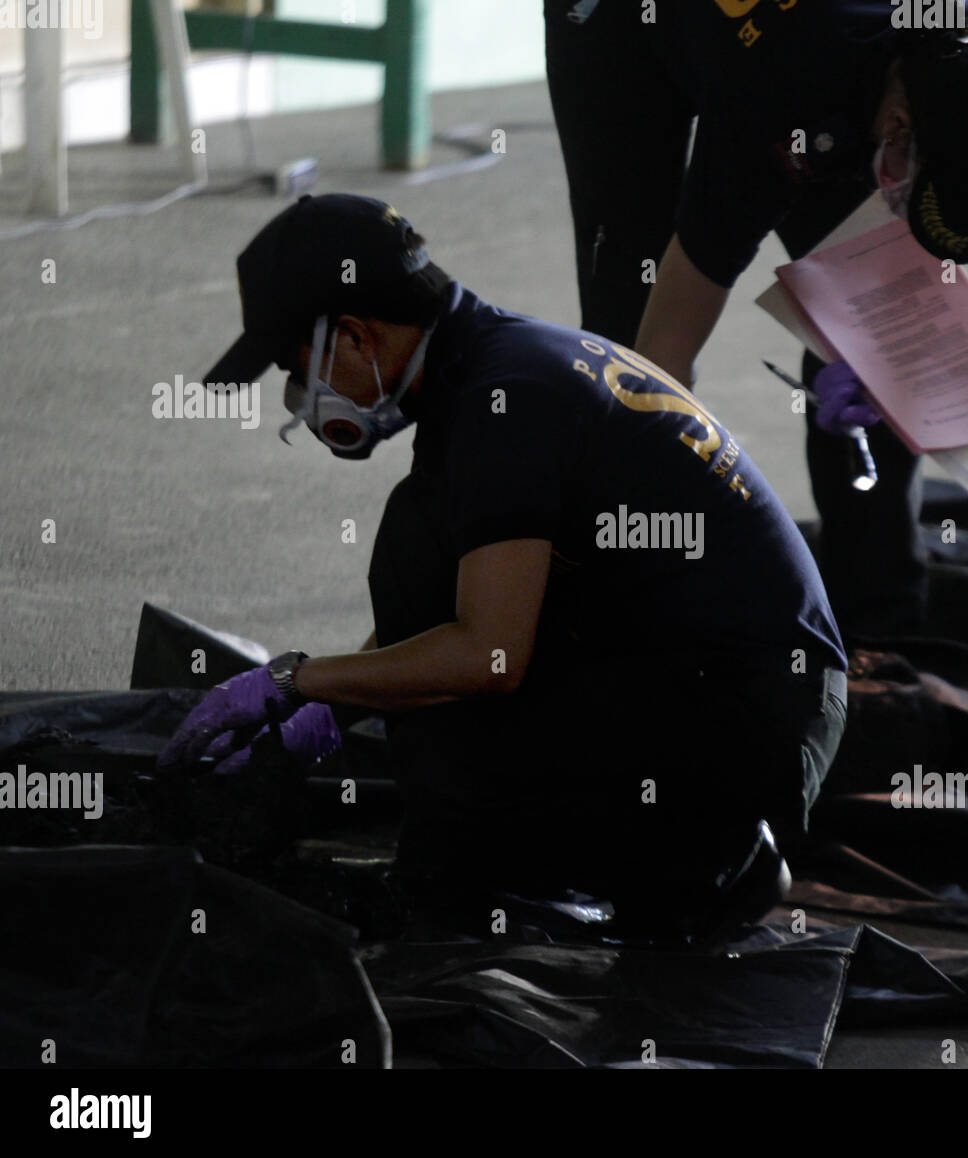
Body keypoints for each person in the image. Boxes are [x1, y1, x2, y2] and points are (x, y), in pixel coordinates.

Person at [162, 193, 848, 944]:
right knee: (426, 561)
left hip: (754, 721)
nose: (300, 402)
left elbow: (487, 656)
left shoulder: (504, 405)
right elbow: (458, 612)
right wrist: (330, 709)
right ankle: (685, 842)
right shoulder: (503, 364)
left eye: (299, 371)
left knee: (451, 709)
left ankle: (708, 863)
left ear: (354, 336)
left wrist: (297, 682)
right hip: (744, 685)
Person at [544, 2, 968, 640]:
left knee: (887, 327)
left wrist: (870, 346)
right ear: (899, 126)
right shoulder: (779, 88)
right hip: (620, 27)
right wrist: (663, 484)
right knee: (626, 337)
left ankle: (877, 628)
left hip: (812, 59)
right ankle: (620, 607)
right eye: (923, 186)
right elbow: (666, 346)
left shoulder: (955, 40)